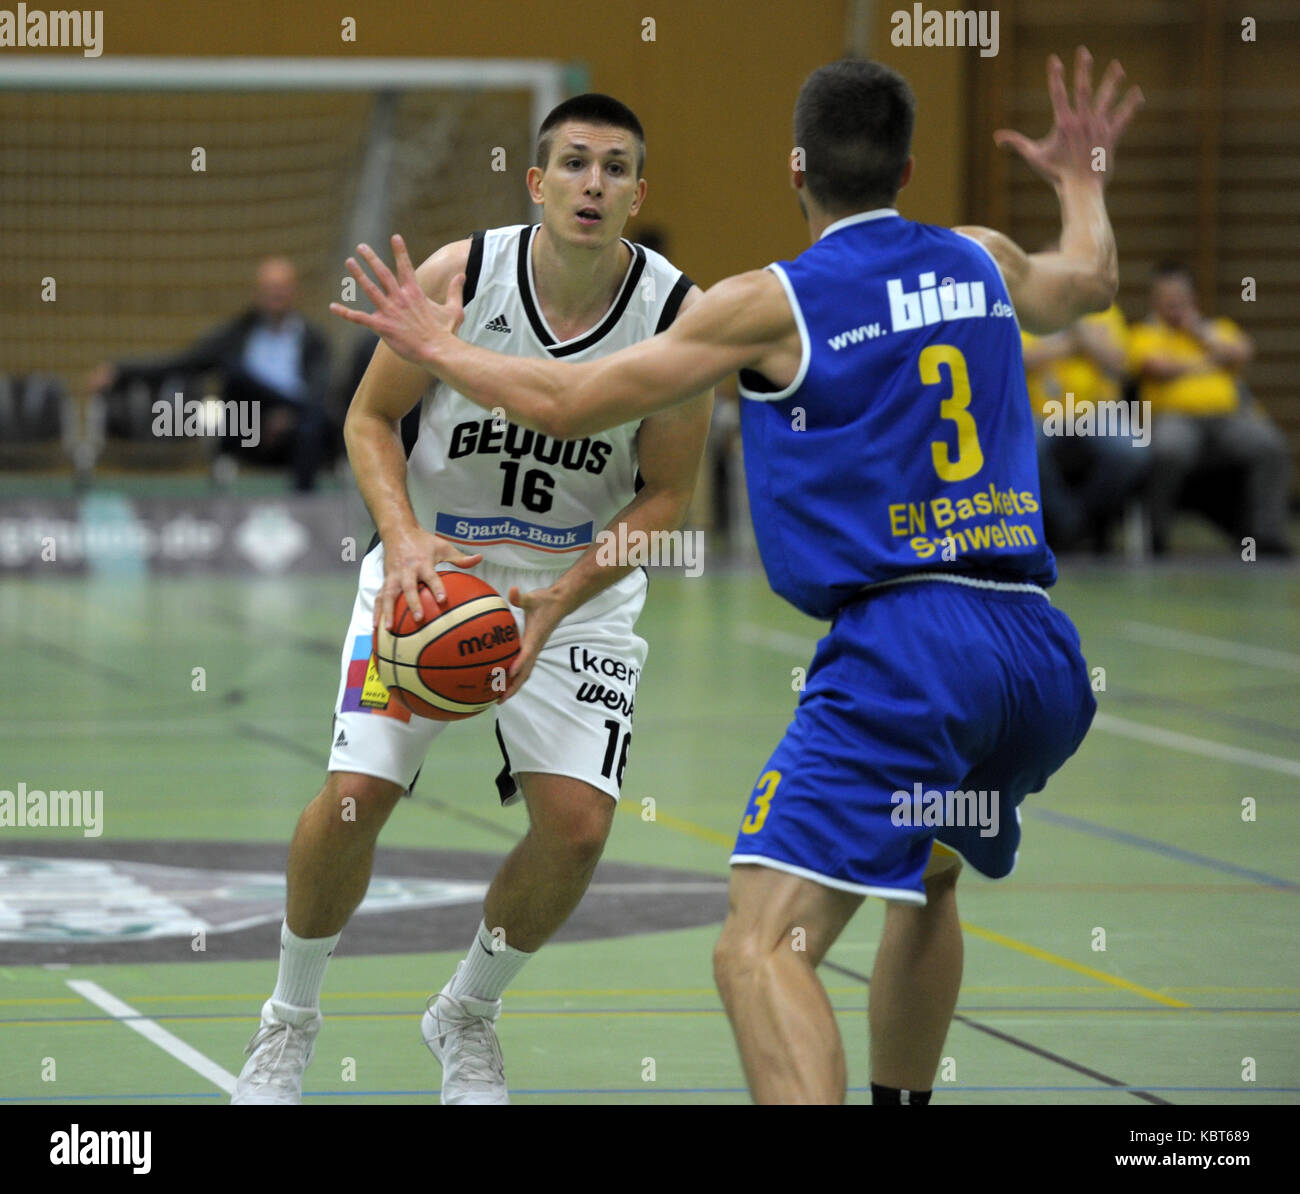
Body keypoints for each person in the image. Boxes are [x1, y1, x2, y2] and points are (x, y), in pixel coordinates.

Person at [334, 49, 1140, 1105]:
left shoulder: (772, 303)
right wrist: (1081, 181)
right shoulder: (979, 256)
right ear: (904, 170)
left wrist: (441, 345)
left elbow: (571, 404)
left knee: (757, 951)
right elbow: (1092, 281)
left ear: (795, 168)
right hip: (1036, 655)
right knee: (929, 876)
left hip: (909, 650)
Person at [231, 94, 711, 1105]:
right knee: (356, 797)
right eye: (574, 163)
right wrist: (401, 539)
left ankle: (466, 1011)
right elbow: (369, 421)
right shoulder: (462, 274)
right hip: (430, 571)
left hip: (572, 585)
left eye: (615, 168)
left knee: (578, 827)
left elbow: (667, 491)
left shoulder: (676, 314)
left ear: (637, 193)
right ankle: (288, 1019)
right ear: (537, 183)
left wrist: (567, 594)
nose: (593, 183)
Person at [88, 257, 332, 491]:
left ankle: (304, 504)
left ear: (295, 291)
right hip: (250, 428)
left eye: (282, 287)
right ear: (257, 292)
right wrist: (121, 370)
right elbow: (185, 362)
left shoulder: (314, 340)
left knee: (316, 416)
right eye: (270, 287)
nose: (276, 293)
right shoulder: (237, 334)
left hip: (298, 428)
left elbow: (318, 391)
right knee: (235, 374)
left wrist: (288, 415)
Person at [1128, 263, 1290, 555]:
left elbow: (1242, 351)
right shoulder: (1145, 333)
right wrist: (1209, 361)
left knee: (1271, 445)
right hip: (1173, 419)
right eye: (1167, 298)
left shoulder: (1217, 328)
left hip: (1228, 419)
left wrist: (1199, 332)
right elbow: (1157, 367)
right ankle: (1157, 536)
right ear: (1155, 301)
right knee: (1168, 451)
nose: (1174, 304)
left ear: (1193, 299)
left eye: (1180, 297)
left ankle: (1265, 535)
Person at [1022, 300, 1148, 551]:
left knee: (1132, 450)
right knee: (1024, 450)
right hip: (1040, 413)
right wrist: (1080, 342)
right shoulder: (1026, 308)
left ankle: (1081, 522)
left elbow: (1119, 363)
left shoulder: (1104, 309)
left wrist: (1068, 335)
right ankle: (1072, 525)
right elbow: (1022, 359)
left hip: (1098, 410)